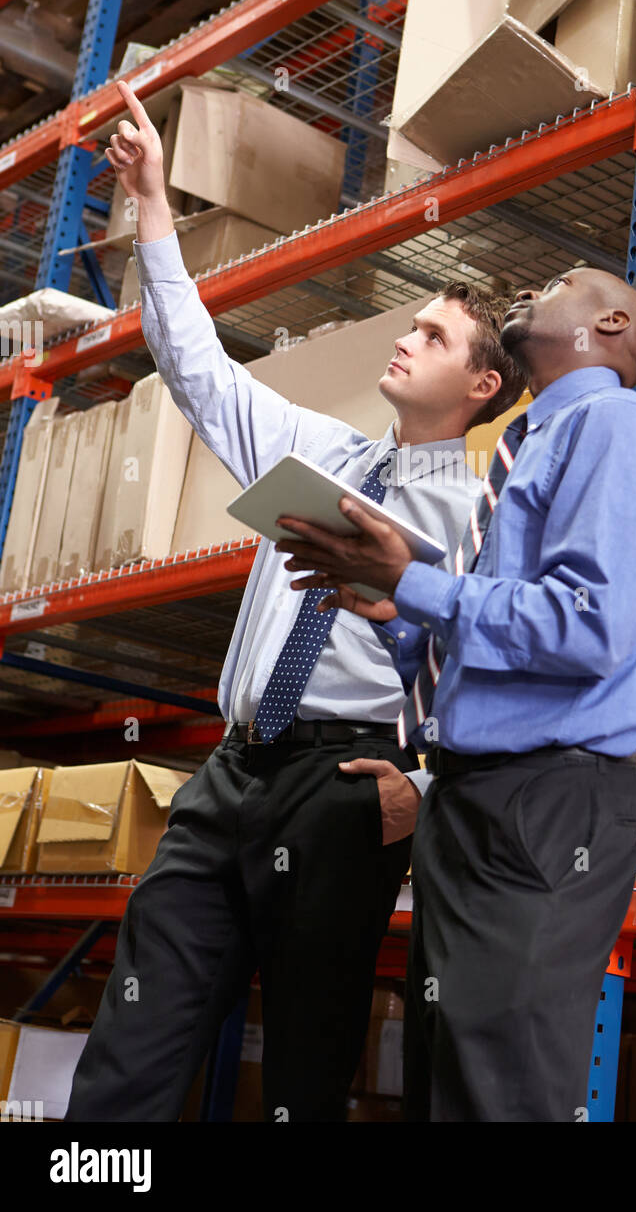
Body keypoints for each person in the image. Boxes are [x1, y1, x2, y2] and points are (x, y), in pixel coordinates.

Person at [65, 80, 525, 1123]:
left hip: (345, 788)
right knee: (138, 1028)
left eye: (435, 337)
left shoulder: (484, 522)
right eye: (409, 323)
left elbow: (517, 676)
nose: (405, 340)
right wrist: (150, 205)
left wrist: (429, 783)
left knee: (310, 1058)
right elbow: (193, 367)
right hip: (233, 772)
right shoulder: (323, 450)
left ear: (482, 387)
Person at [272, 267, 636, 1122]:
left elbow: (588, 626)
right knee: (446, 1079)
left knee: (496, 1091)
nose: (532, 287)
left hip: (547, 804)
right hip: (478, 800)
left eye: (561, 281)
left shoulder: (612, 426)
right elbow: (502, 644)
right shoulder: (529, 448)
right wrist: (399, 614)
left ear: (609, 322)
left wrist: (418, 584)